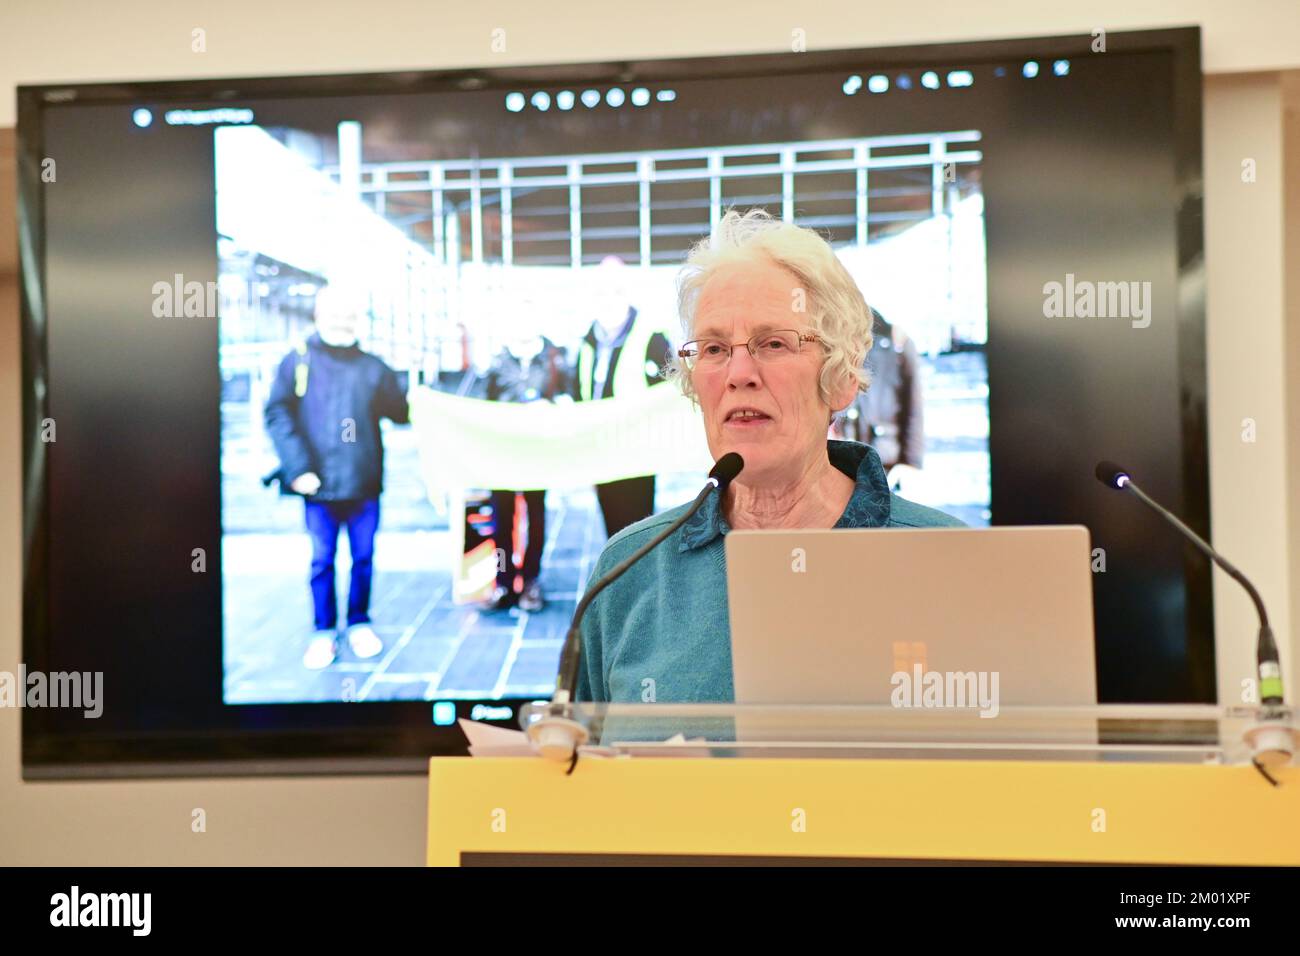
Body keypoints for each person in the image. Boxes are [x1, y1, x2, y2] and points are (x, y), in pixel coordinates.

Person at [575, 209, 965, 704]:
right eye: (714, 348)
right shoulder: (628, 569)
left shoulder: (952, 563)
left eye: (773, 343)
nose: (739, 372)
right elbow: (573, 769)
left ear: (843, 377)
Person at [264, 284, 411, 670]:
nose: (341, 321)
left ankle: (359, 622)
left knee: (363, 558)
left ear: (357, 319)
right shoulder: (297, 362)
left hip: (363, 481)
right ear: (318, 315)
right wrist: (298, 470)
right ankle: (324, 631)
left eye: (348, 314)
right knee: (322, 560)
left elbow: (400, 412)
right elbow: (278, 414)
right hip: (317, 484)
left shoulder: (373, 366)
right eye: (334, 313)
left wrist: (404, 385)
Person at [572, 255, 674, 538]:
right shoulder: (588, 341)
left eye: (615, 290)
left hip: (637, 456)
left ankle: (641, 581)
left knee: (639, 531)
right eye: (601, 291)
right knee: (613, 533)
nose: (608, 298)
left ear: (627, 292)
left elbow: (670, 391)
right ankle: (620, 580)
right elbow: (579, 397)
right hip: (602, 454)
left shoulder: (652, 337)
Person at [481, 333, 559, 612]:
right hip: (501, 454)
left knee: (536, 519)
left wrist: (552, 407)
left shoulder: (553, 359)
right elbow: (480, 403)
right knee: (501, 521)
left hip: (538, 453)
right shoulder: (496, 362)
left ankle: (530, 581)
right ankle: (503, 581)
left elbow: (568, 397)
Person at [833, 306, 925, 490]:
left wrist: (911, 462)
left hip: (885, 459)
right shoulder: (831, 338)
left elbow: (914, 406)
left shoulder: (896, 341)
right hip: (841, 459)